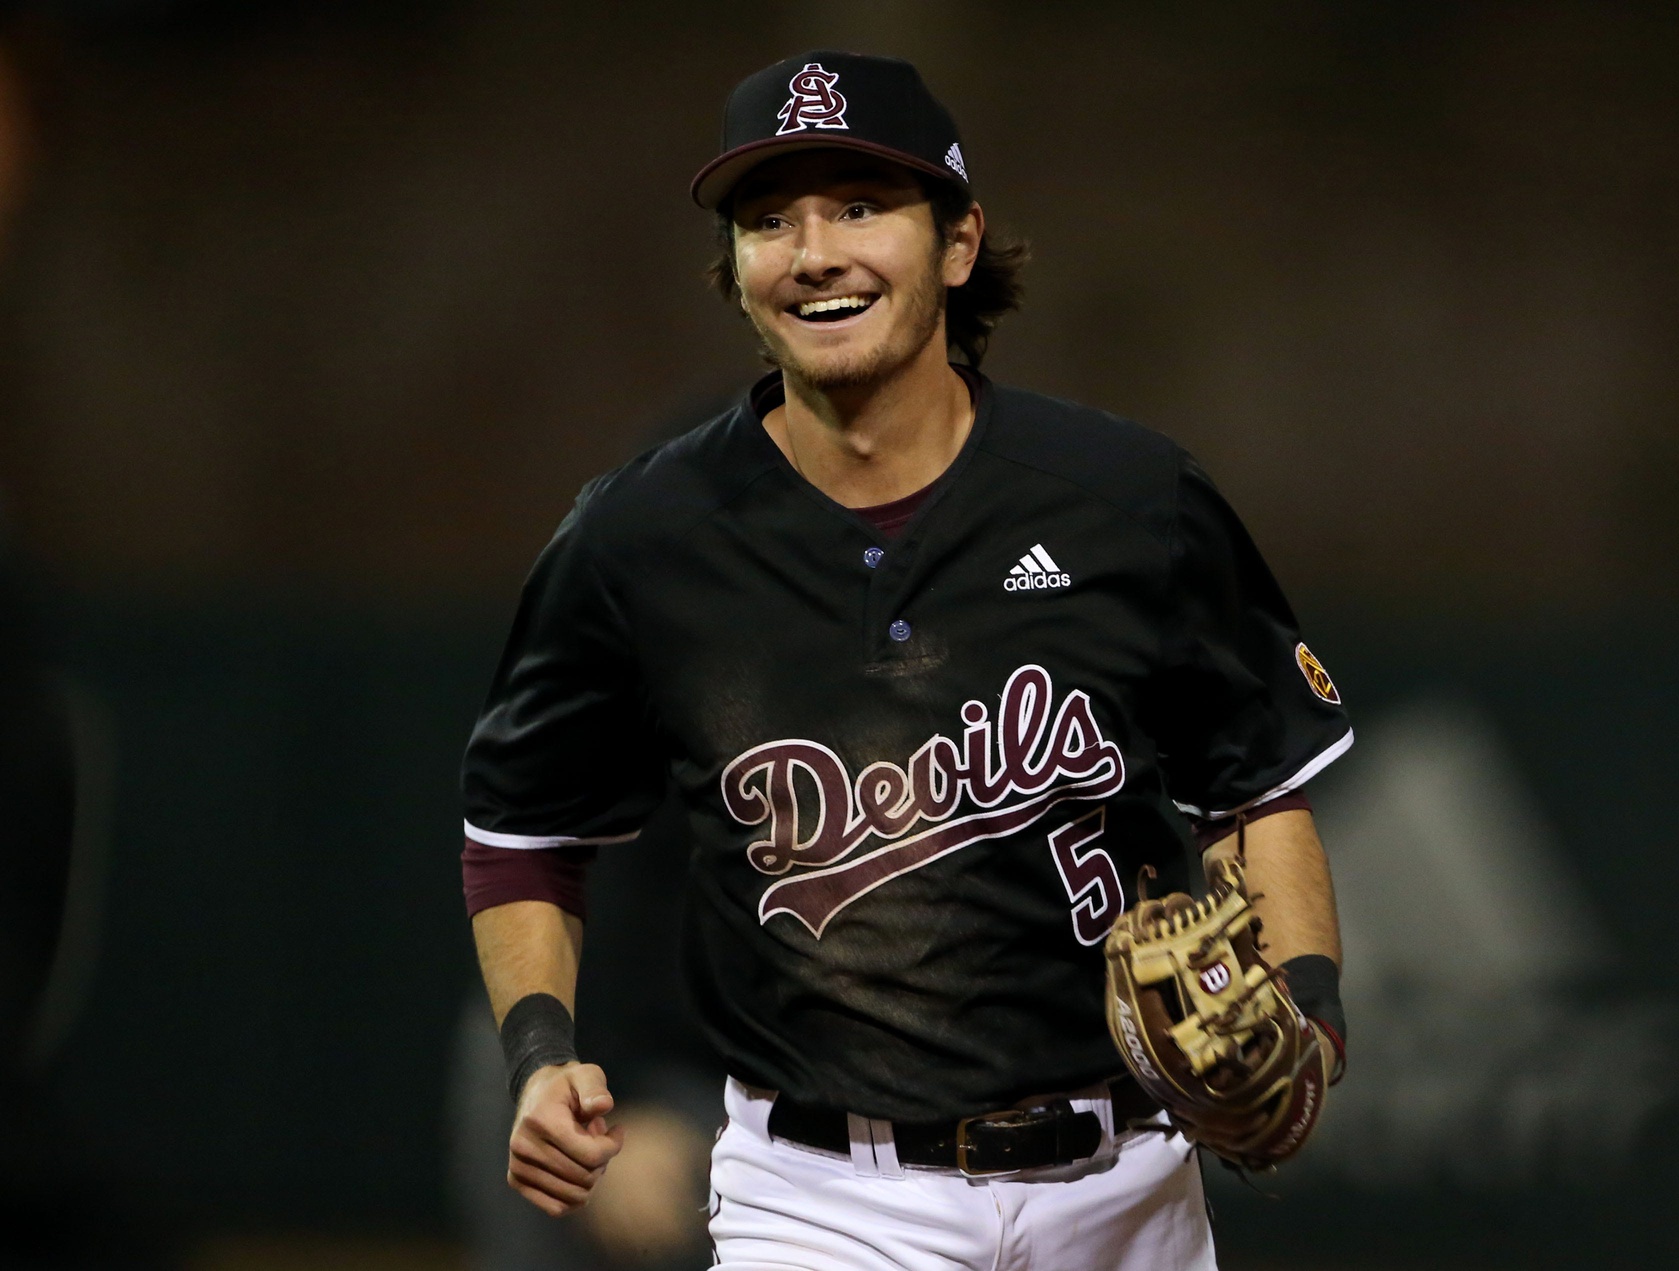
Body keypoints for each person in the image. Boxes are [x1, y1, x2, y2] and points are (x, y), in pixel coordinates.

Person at [461, 51, 1352, 1271]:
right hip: (823, 1197)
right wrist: (540, 1049)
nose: (814, 250)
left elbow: (1255, 781)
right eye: (770, 220)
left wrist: (1311, 1008)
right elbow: (523, 831)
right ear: (735, 272)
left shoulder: (1127, 500)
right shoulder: (641, 539)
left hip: (1128, 1185)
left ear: (959, 241)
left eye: (862, 207)